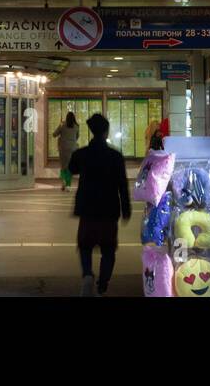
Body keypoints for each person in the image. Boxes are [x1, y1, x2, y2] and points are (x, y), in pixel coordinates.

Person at [68, 113, 130, 295]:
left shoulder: (82, 154)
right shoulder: (115, 156)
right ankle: (102, 284)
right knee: (108, 249)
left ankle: (87, 274)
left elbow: (71, 169)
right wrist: (126, 208)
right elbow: (122, 185)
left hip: (87, 208)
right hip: (109, 210)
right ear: (106, 131)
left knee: (85, 245)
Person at [53, 112, 80, 191]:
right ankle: (68, 185)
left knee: (63, 166)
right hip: (73, 149)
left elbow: (54, 134)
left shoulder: (62, 125)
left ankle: (63, 181)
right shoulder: (76, 126)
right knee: (70, 167)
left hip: (63, 148)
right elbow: (77, 137)